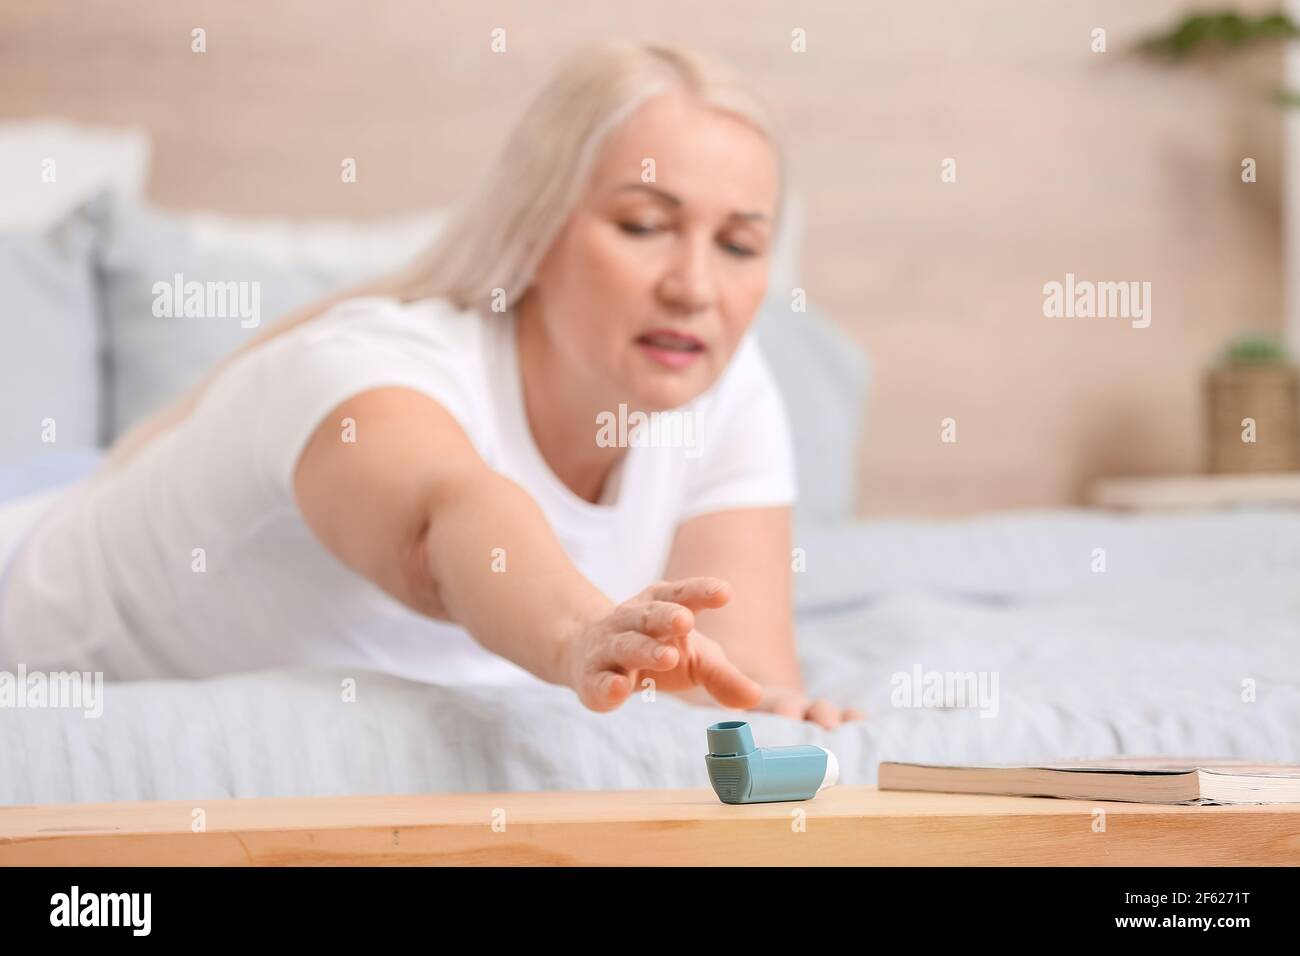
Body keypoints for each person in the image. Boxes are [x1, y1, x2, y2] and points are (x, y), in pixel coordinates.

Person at [0, 42, 863, 729]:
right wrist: (577, 639)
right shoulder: (365, 372)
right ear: (537, 229)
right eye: (645, 225)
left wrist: (776, 718)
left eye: (741, 245)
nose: (697, 288)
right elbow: (447, 522)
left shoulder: (720, 382)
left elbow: (734, 683)